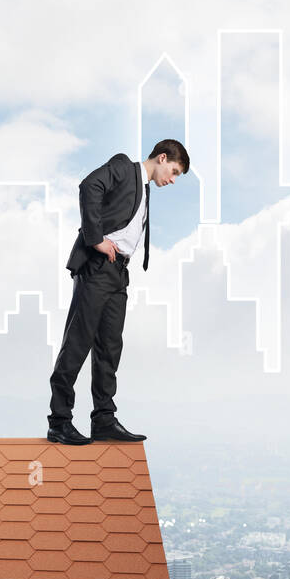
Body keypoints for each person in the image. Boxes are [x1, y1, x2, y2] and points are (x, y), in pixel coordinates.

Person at [46, 139, 190, 445]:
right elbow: (89, 186)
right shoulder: (125, 167)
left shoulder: (146, 189)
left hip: (118, 272)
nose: (173, 179)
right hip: (97, 266)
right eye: (174, 171)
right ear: (162, 157)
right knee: (77, 342)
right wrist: (95, 237)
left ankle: (103, 420)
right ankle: (59, 422)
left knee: (110, 348)